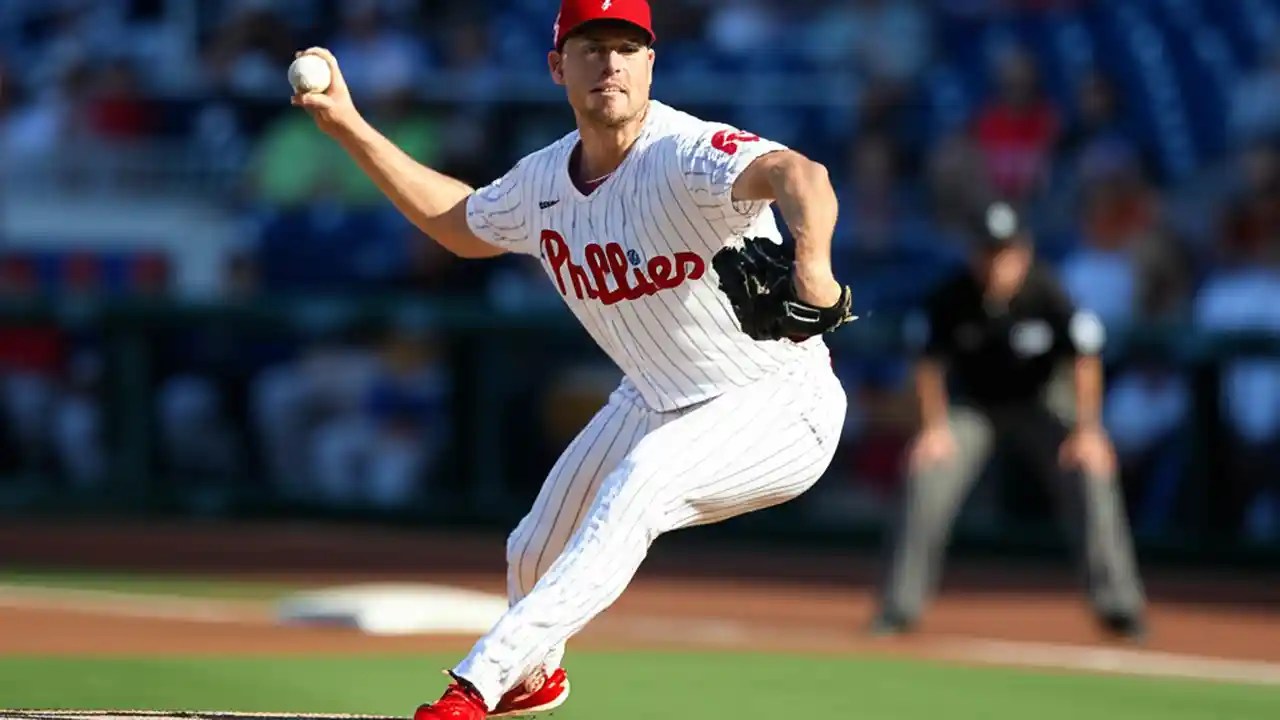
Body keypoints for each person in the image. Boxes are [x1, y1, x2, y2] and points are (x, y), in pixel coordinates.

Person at [290, 1, 852, 718]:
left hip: (777, 401)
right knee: (532, 551)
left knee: (643, 484)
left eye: (626, 47)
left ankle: (475, 686)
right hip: (654, 397)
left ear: (651, 62)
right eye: (591, 48)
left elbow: (801, 174)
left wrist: (814, 266)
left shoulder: (686, 153)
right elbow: (459, 225)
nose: (610, 63)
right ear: (558, 67)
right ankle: (536, 677)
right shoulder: (543, 181)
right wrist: (349, 127)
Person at [868, 201, 1148, 641]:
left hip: (1042, 403)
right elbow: (927, 364)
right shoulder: (952, 295)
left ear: (1023, 251)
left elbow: (1085, 359)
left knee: (1091, 472)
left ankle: (1119, 605)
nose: (996, 263)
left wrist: (1088, 430)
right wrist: (934, 428)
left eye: (1005, 252)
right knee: (926, 472)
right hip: (975, 408)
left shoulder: (1048, 290)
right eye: (987, 252)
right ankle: (898, 607)